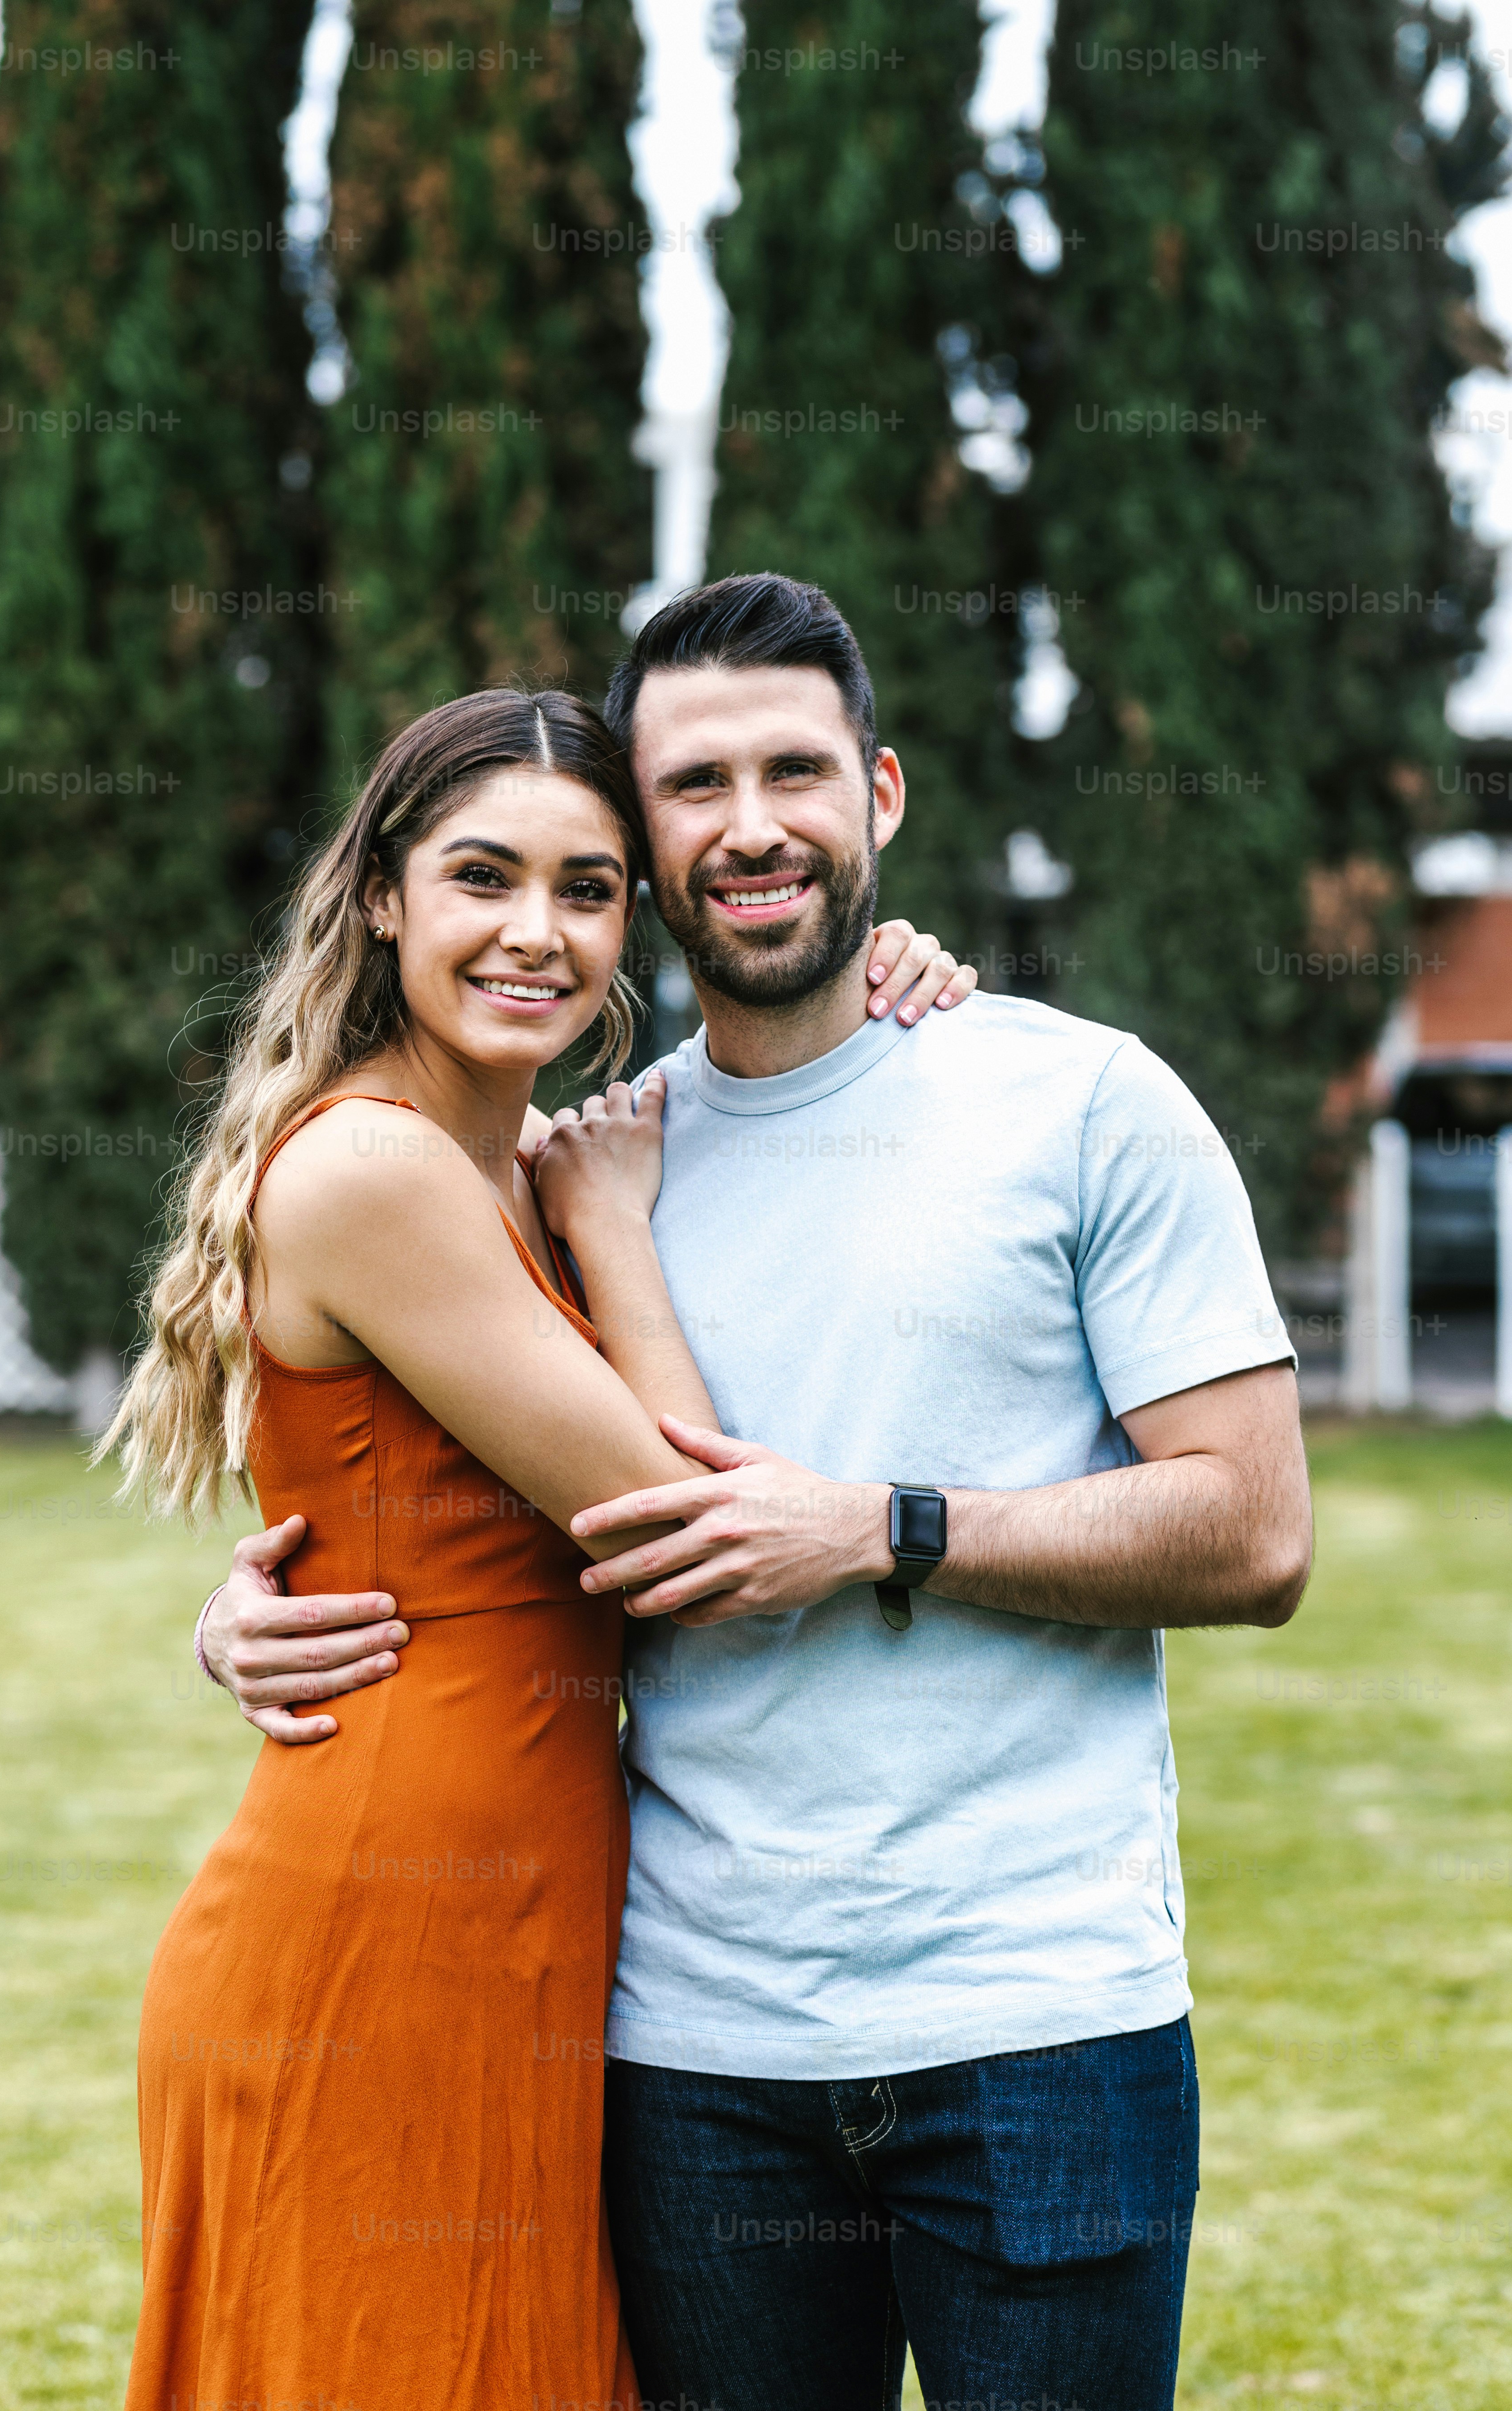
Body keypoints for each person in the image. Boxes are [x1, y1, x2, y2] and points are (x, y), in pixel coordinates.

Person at [200, 574, 1315, 2411]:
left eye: (794, 770)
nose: (751, 823)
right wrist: (246, 1606)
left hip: (1039, 2022)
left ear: (880, 792)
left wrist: (889, 1525)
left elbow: (1256, 1533)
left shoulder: (1082, 1103)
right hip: (686, 2045)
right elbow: (436, 1478)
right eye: (693, 786)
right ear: (650, 851)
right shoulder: (582, 1166)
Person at [103, 680, 973, 2411]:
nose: (537, 931)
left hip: (534, 1907)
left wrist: (889, 965)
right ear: (380, 896)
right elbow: (680, 1517)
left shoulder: (511, 1165)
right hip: (387, 1921)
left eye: (587, 889)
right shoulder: (385, 1168)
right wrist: (615, 1231)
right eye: (482, 877)